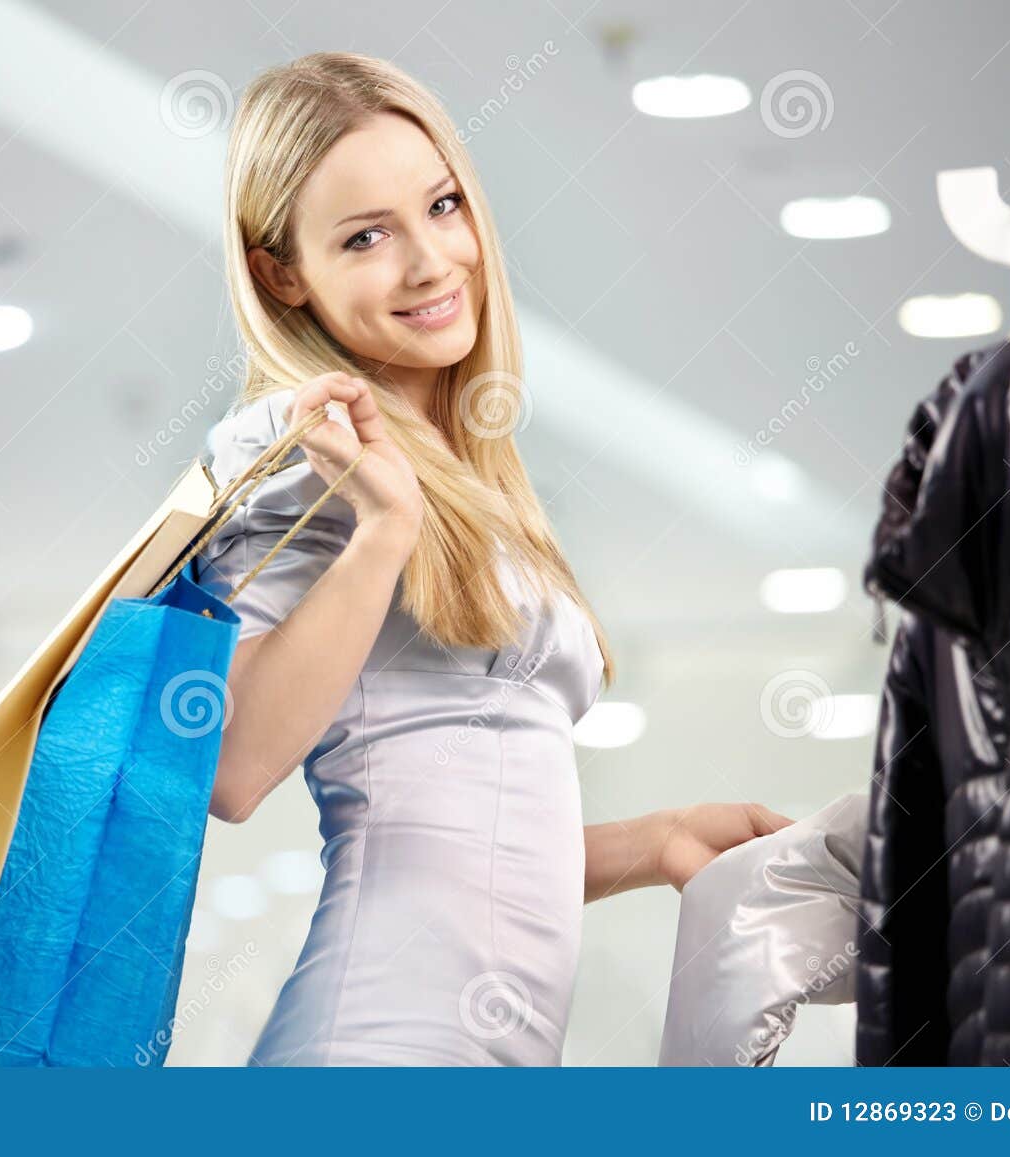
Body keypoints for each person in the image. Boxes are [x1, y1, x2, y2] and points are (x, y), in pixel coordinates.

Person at [193, 51, 792, 1067]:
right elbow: (236, 764)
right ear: (279, 271)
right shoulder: (299, 457)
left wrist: (656, 840)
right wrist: (383, 531)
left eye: (442, 205)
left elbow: (462, 841)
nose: (430, 260)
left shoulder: (463, 473)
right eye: (366, 236)